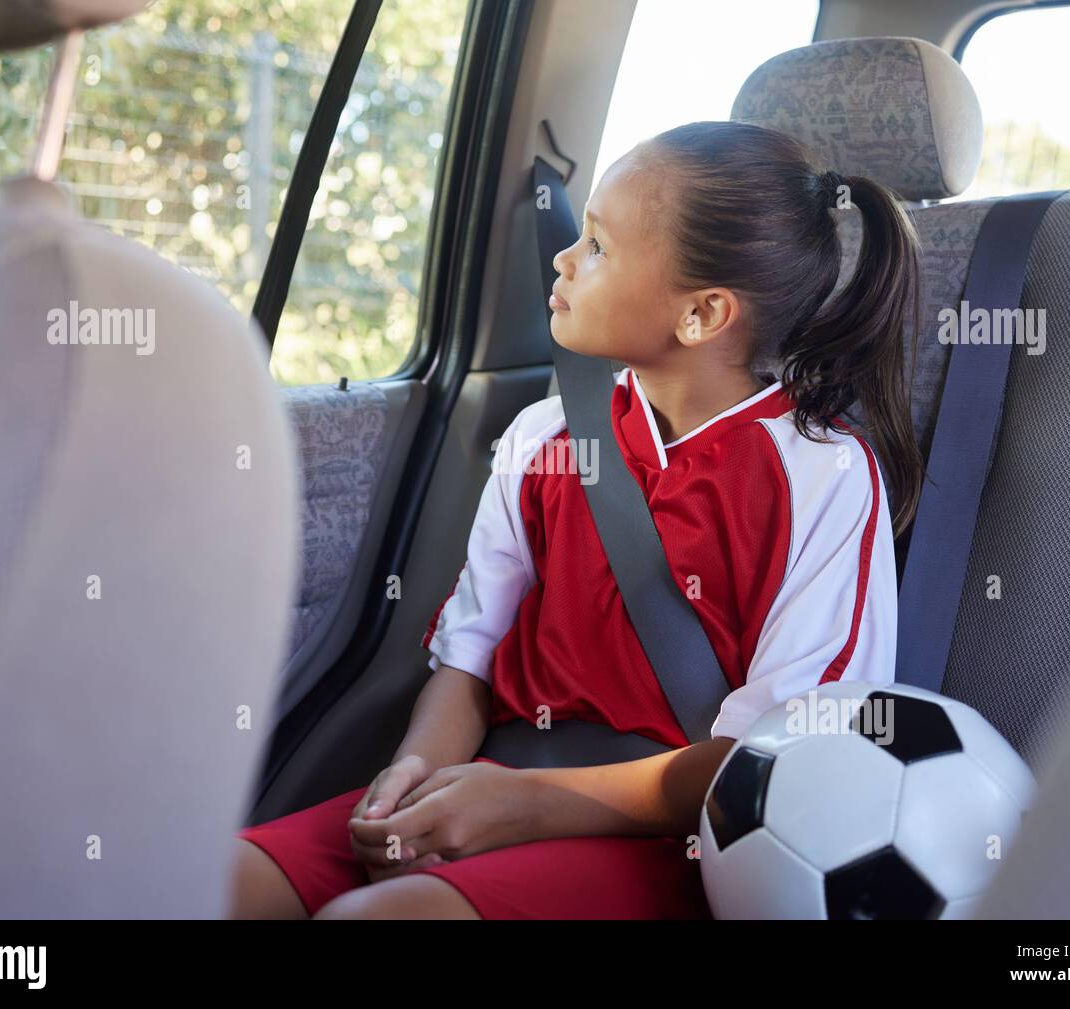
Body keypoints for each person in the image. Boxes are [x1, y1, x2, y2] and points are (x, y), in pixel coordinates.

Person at [227, 121, 923, 919]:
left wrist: (524, 804)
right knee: (199, 885)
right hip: (491, 778)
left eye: (596, 245)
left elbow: (772, 759)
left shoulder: (821, 477)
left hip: (674, 837)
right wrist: (413, 776)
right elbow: (470, 659)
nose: (562, 259)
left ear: (701, 314)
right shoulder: (543, 437)